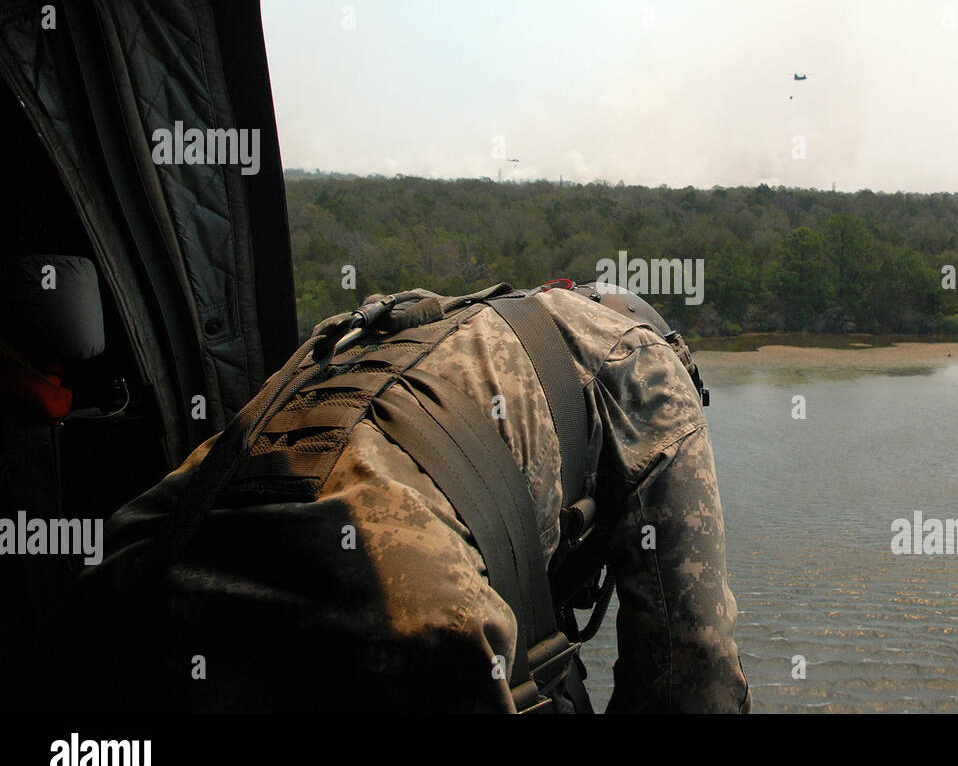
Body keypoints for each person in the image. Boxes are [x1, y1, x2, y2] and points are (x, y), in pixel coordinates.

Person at [49, 280, 751, 714]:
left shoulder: (403, 321)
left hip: (128, 580)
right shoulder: (644, 359)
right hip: (402, 620)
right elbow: (691, 669)